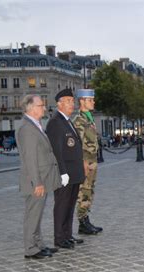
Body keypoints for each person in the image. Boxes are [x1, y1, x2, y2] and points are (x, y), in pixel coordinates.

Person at [15, 95, 61, 259]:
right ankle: (31, 249)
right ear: (31, 108)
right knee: (32, 214)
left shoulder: (35, 125)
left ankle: (39, 244)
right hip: (35, 180)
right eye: (41, 105)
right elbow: (30, 159)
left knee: (37, 214)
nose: (43, 107)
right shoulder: (27, 129)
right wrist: (37, 182)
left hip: (42, 178)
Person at [46, 88, 85, 249]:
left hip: (74, 171)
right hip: (65, 172)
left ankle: (67, 234)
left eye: (72, 100)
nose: (72, 104)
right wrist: (62, 172)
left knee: (69, 204)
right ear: (59, 104)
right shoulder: (55, 122)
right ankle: (59, 237)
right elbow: (57, 150)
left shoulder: (67, 121)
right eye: (68, 101)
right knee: (62, 204)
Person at [73, 89, 103, 235]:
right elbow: (77, 144)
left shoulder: (88, 118)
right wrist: (83, 162)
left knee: (90, 190)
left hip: (92, 160)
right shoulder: (79, 121)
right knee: (84, 191)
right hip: (86, 161)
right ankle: (82, 222)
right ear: (82, 101)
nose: (93, 102)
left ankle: (86, 219)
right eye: (90, 100)